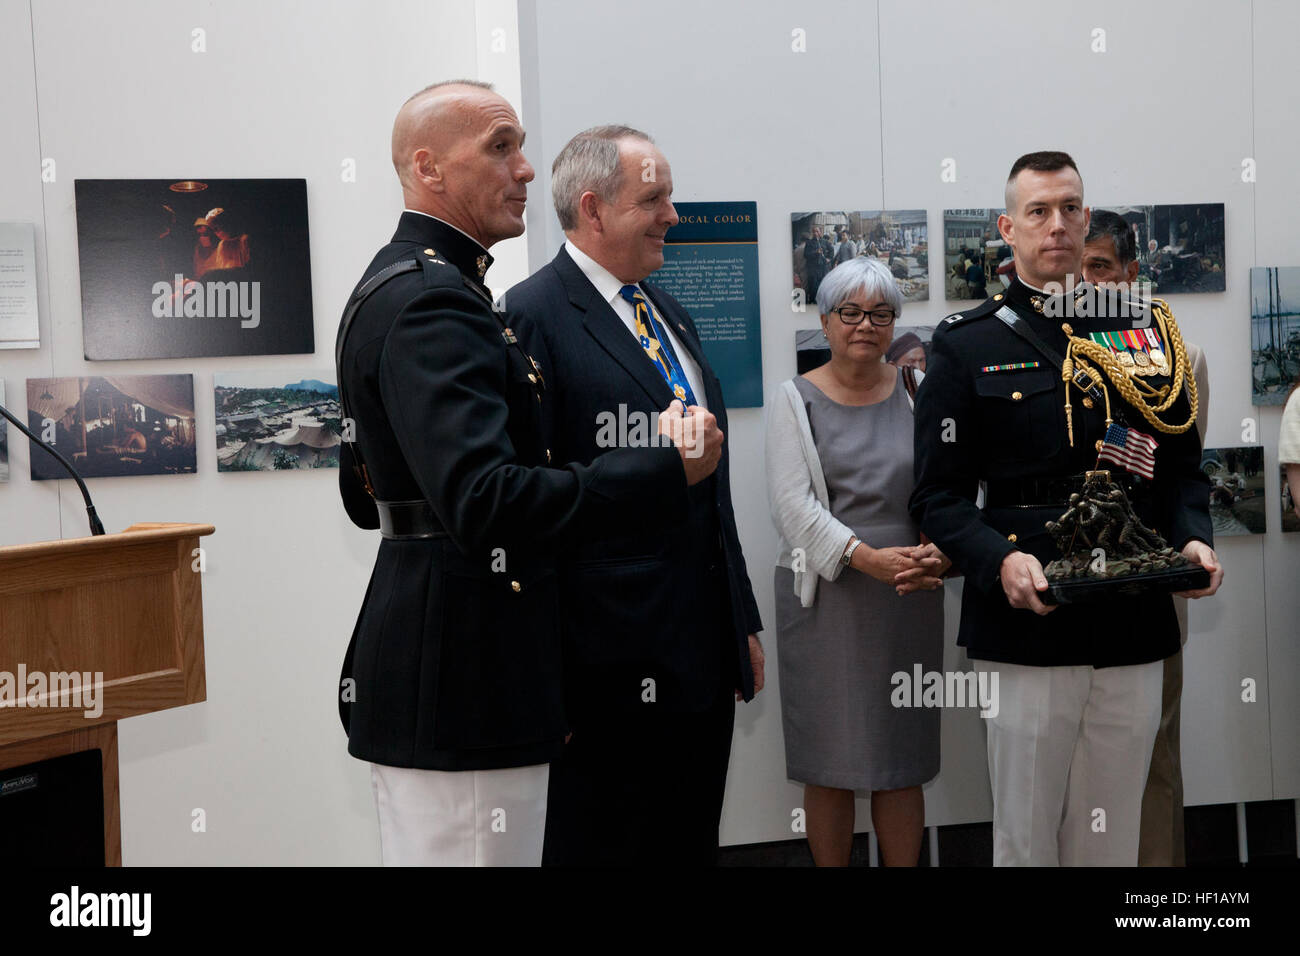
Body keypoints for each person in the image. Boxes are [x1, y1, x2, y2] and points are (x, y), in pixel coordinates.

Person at [334, 83, 707, 867]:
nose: (528, 170)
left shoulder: (421, 284)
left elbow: (367, 494)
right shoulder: (434, 301)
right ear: (429, 168)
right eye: (500, 148)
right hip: (467, 670)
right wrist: (661, 470)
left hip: (465, 655)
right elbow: (485, 500)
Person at [910, 150, 1222, 867]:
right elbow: (936, 498)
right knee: (1027, 839)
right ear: (1007, 229)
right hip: (1028, 618)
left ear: (1087, 220)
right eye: (1039, 212)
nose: (1058, 226)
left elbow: (1179, 471)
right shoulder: (965, 345)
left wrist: (1195, 540)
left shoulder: (1140, 333)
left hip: (1133, 616)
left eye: (1071, 209)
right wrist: (1000, 561)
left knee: (1110, 839)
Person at [505, 125, 763, 866]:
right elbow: (530, 502)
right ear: (593, 209)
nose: (673, 215)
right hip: (603, 669)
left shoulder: (668, 312)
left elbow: (710, 484)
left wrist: (736, 618)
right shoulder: (533, 318)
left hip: (698, 657)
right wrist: (545, 677)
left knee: (687, 843)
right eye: (654, 199)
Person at [766, 257, 947, 866]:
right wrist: (865, 557)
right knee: (831, 763)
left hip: (909, 595)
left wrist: (940, 552)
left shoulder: (922, 393)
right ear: (825, 319)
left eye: (880, 313)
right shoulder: (793, 400)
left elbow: (949, 488)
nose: (865, 325)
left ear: (895, 322)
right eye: (850, 312)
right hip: (826, 598)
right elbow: (794, 507)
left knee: (903, 760)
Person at [1083, 208, 1210, 867]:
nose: (1085, 280)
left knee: (1154, 756)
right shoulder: (1034, 359)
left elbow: (1179, 480)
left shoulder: (1179, 361)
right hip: (1061, 595)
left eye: (1100, 267)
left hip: (1147, 590)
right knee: (1067, 764)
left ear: (1132, 274)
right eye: (1075, 268)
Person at [804, 226, 834, 301]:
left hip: (823, 268)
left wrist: (829, 259)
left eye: (817, 231)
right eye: (814, 231)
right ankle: (813, 301)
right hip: (813, 269)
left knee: (823, 285)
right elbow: (806, 255)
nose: (815, 233)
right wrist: (816, 252)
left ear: (820, 232)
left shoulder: (825, 242)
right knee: (813, 286)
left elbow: (832, 250)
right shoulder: (809, 243)